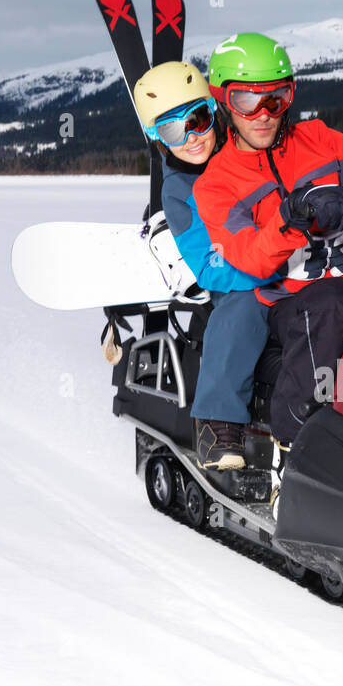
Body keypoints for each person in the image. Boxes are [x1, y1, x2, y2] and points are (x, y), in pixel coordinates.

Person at [193, 33, 343, 444]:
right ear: (223, 101)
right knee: (327, 305)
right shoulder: (218, 183)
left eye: (275, 98)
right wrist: (289, 218)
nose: (262, 114)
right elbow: (248, 257)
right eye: (246, 101)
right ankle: (296, 439)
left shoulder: (318, 141)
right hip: (290, 296)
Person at [132, 61, 280, 469]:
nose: (192, 137)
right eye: (172, 130)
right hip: (236, 277)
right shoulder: (178, 192)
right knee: (242, 311)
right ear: (155, 137)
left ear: (214, 112)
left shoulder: (247, 149)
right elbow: (208, 264)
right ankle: (218, 425)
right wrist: (264, 266)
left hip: (292, 259)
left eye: (197, 120)